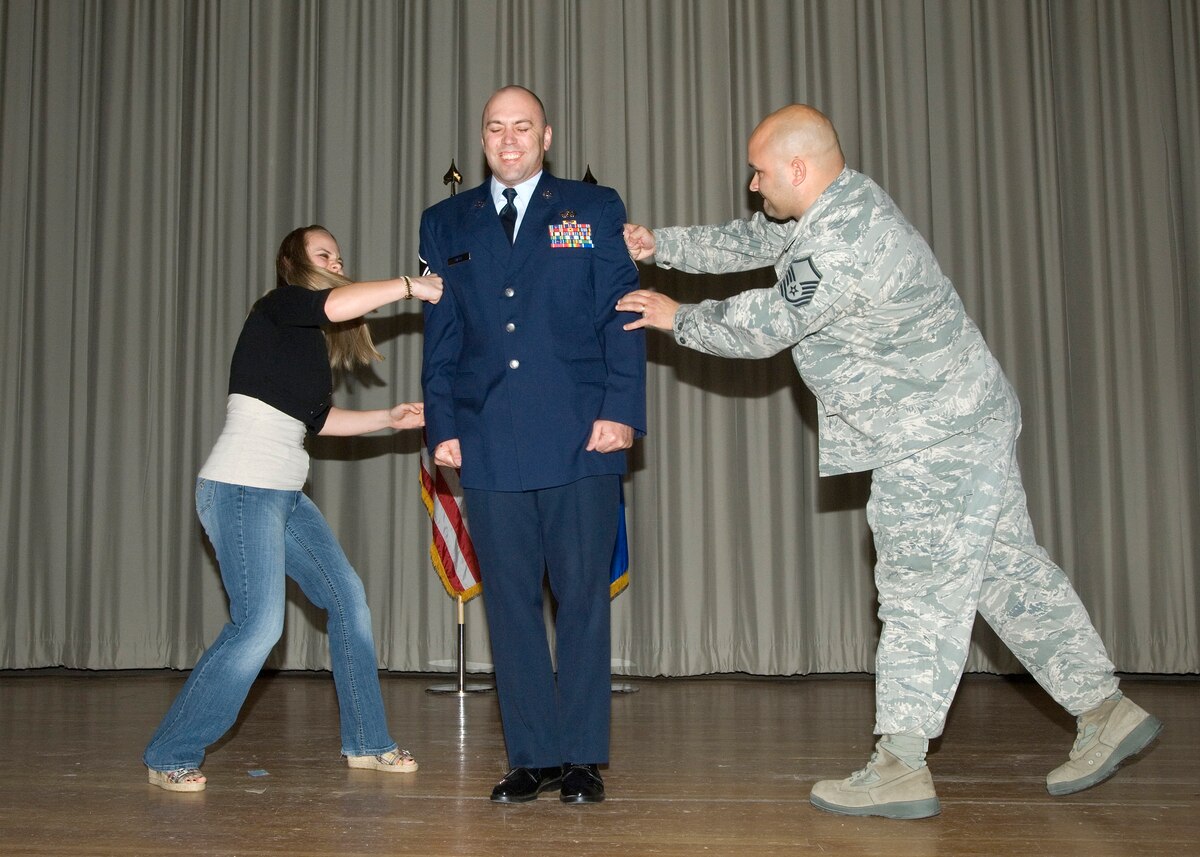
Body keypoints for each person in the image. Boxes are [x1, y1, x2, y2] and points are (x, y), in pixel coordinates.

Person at [618, 104, 1161, 820]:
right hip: (961, 417)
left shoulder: (843, 236)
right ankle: (1105, 709)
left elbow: (773, 322)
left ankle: (901, 763)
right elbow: (756, 238)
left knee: (915, 589)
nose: (752, 185)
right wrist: (665, 246)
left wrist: (677, 318)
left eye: (759, 171)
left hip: (931, 434)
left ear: (799, 169)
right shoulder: (833, 207)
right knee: (1006, 573)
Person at [143, 225, 443, 792]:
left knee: (347, 600)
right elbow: (337, 302)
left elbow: (318, 421)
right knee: (259, 625)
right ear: (295, 266)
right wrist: (409, 285)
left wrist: (388, 418)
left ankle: (367, 741)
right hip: (239, 488)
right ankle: (169, 752)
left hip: (282, 495)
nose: (336, 261)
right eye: (323, 254)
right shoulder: (280, 306)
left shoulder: (305, 342)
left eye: (339, 255)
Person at [420, 85, 646, 804]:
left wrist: (622, 410)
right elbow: (443, 335)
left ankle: (581, 756)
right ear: (482, 137)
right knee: (510, 603)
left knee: (581, 595)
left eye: (523, 127)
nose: (509, 139)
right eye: (496, 128)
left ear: (547, 136)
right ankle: (532, 755)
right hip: (487, 437)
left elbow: (623, 315)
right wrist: (442, 424)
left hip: (584, 433)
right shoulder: (443, 222)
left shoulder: (592, 209)